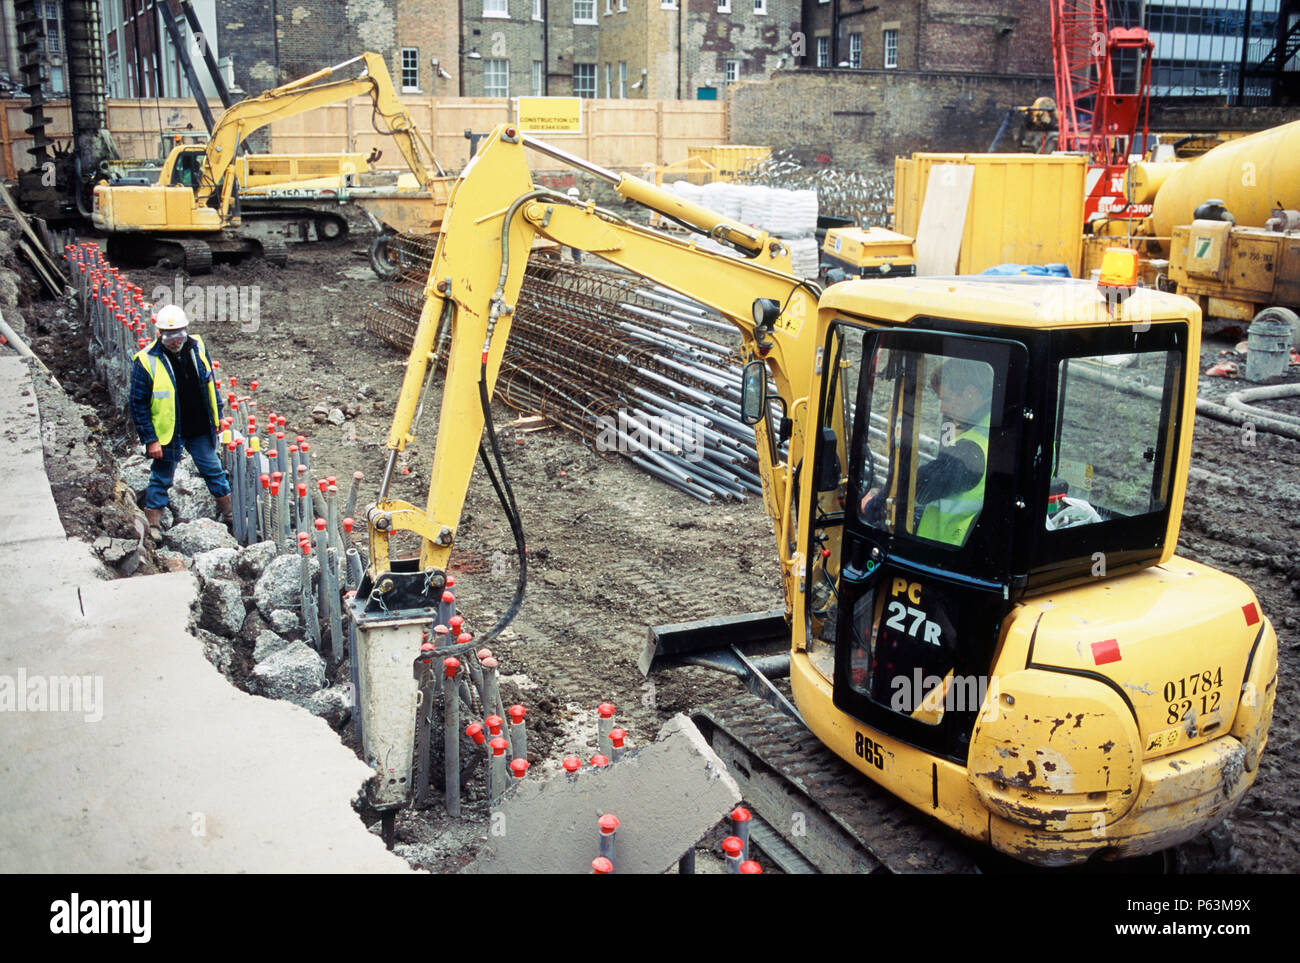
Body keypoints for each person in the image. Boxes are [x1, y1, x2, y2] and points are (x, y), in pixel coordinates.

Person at [860, 357, 992, 547]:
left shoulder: (972, 450)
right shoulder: (992, 428)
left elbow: (917, 485)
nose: (941, 409)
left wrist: (873, 505)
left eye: (945, 399)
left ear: (971, 393)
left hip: (947, 550)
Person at [129, 304, 232, 537]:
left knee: (213, 470)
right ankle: (153, 523)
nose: (176, 341)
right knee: (162, 476)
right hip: (169, 433)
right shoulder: (145, 361)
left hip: (198, 427)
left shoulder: (197, 347)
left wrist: (218, 415)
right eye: (170, 336)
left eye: (180, 335)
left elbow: (210, 384)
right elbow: (137, 405)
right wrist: (150, 440)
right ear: (158, 333)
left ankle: (229, 515)